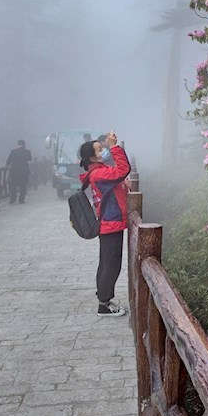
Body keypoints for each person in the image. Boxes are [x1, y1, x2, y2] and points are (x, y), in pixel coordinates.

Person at [79, 131, 130, 317]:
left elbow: (117, 179)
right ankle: (104, 304)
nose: (104, 150)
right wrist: (115, 148)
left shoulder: (97, 172)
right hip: (110, 223)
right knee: (110, 265)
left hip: (110, 223)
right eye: (100, 149)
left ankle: (104, 298)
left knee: (107, 263)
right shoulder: (98, 174)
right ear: (92, 157)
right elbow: (122, 169)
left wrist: (123, 183)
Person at [6, 139, 32, 204]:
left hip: (15, 171)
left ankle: (13, 198)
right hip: (24, 171)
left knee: (13, 185)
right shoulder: (27, 151)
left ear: (18, 144)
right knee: (23, 185)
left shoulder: (13, 151)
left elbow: (8, 161)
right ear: (24, 145)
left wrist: (9, 167)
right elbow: (30, 159)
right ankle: (21, 199)